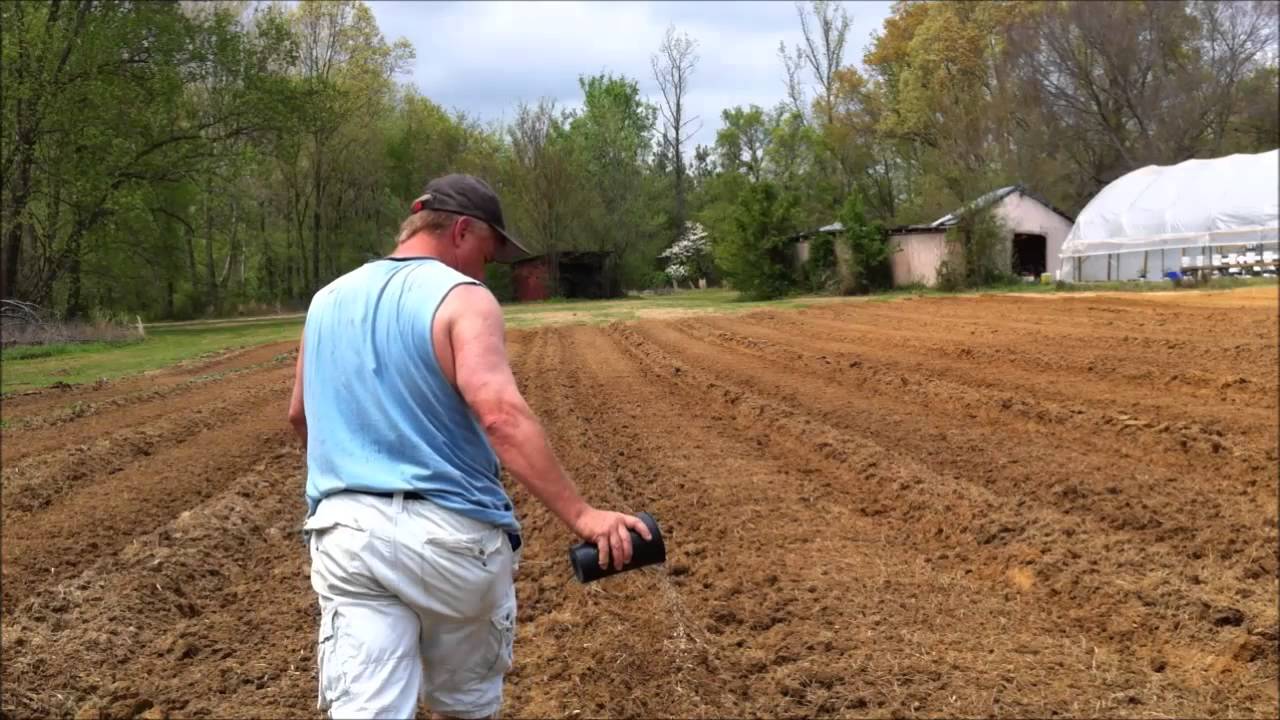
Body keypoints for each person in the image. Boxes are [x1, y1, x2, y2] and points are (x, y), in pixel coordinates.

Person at [287, 174, 652, 719]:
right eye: (488, 253)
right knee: (465, 707)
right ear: (461, 231)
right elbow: (501, 415)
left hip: (346, 537)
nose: (488, 271)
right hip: (450, 539)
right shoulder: (462, 298)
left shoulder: (326, 300)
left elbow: (299, 416)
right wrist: (582, 515)